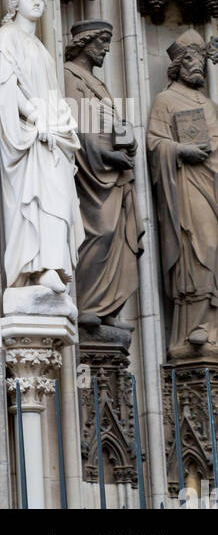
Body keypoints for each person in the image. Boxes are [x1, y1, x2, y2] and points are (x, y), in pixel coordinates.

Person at [0, 0, 83, 296]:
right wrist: (34, 117)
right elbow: (5, 87)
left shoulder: (41, 48)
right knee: (40, 198)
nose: (37, 3)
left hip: (52, 133)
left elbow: (52, 92)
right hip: (31, 135)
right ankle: (38, 266)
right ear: (15, 3)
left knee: (58, 197)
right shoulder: (6, 37)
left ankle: (52, 264)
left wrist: (61, 120)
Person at [64, 21, 143, 329]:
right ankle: (86, 303)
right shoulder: (70, 75)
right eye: (104, 41)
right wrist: (106, 154)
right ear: (86, 42)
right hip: (93, 172)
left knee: (119, 237)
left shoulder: (98, 83)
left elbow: (112, 121)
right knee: (99, 232)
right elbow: (78, 127)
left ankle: (107, 306)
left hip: (113, 170)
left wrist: (127, 139)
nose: (108, 48)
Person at [147, 30, 218, 359]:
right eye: (192, 60)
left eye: (202, 61)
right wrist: (181, 150)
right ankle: (194, 324)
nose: (199, 67)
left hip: (213, 181)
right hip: (186, 184)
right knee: (201, 245)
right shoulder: (166, 101)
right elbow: (155, 144)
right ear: (177, 64)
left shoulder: (209, 105)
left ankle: (212, 327)